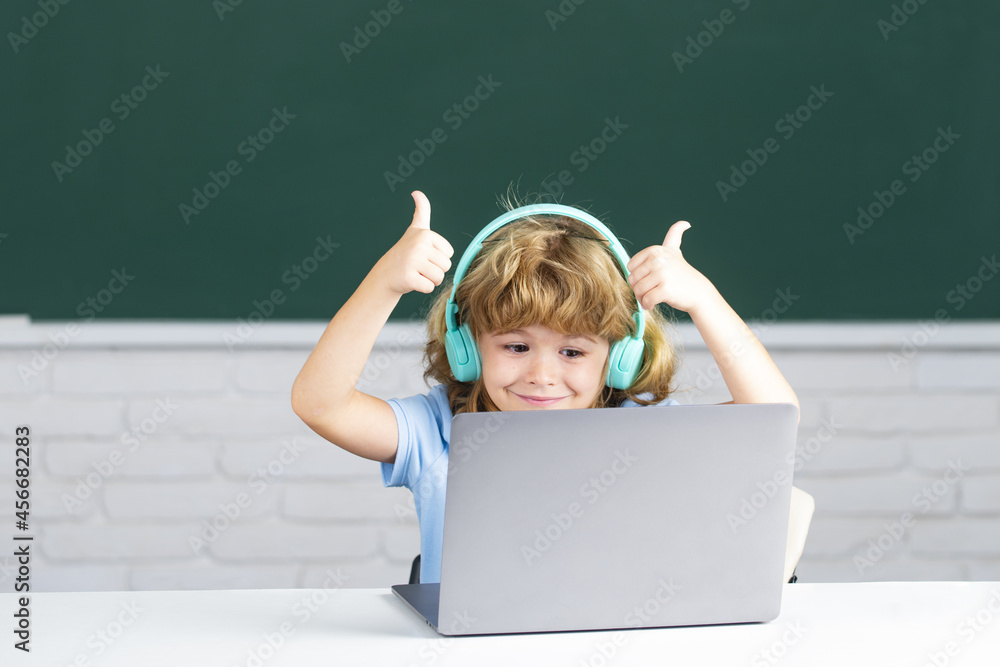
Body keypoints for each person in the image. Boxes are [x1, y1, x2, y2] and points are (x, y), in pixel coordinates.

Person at [291, 190, 799, 584]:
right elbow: (320, 404)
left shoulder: (641, 432)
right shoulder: (437, 431)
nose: (542, 374)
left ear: (617, 360)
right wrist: (385, 282)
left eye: (573, 352)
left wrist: (705, 300)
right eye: (516, 346)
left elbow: (771, 422)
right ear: (469, 347)